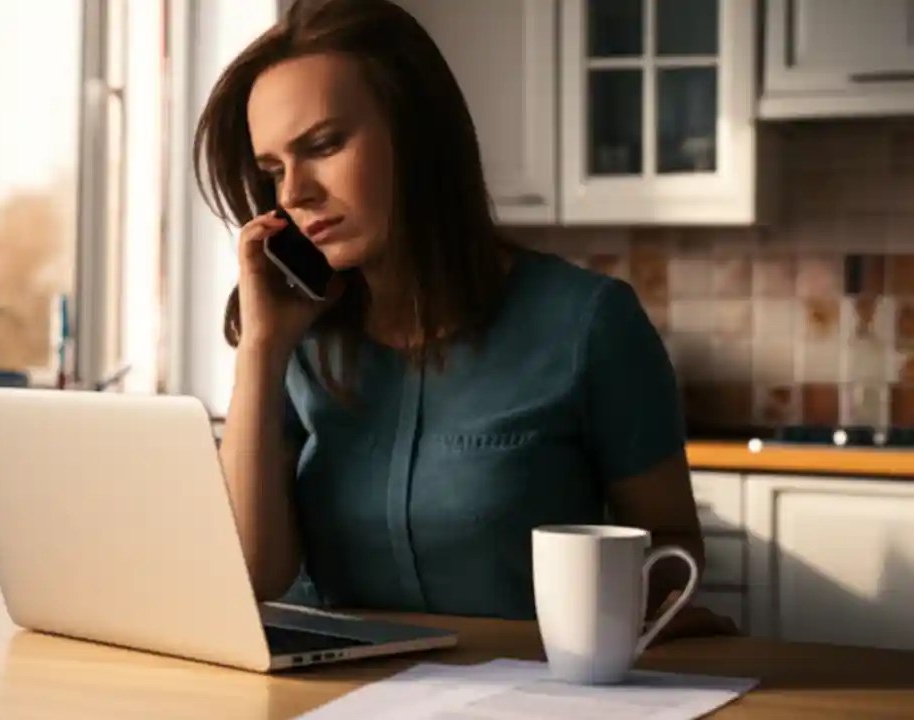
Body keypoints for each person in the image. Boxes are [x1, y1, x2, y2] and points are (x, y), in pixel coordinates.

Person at [194, 0, 735, 644]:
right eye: (273, 171)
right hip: (330, 694)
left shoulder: (588, 324)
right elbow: (254, 575)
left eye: (324, 145)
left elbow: (673, 547)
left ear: (419, 135)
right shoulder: (299, 343)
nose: (293, 194)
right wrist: (260, 347)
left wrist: (618, 632)